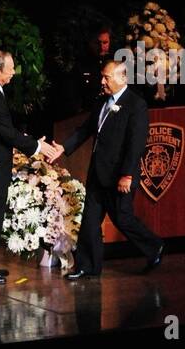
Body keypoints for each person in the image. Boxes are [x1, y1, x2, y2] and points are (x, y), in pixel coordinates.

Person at [51, 58, 164, 281]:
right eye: (102, 76)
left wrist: (128, 175)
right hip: (98, 173)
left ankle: (154, 246)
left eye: (106, 77)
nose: (102, 81)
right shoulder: (102, 101)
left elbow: (136, 143)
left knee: (123, 218)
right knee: (90, 221)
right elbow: (85, 130)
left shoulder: (136, 105)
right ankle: (87, 266)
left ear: (123, 79)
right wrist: (63, 148)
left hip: (120, 174)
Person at [0, 49, 59, 286]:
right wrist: (36, 147)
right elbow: (4, 131)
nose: (14, 73)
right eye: (11, 68)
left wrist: (33, 143)